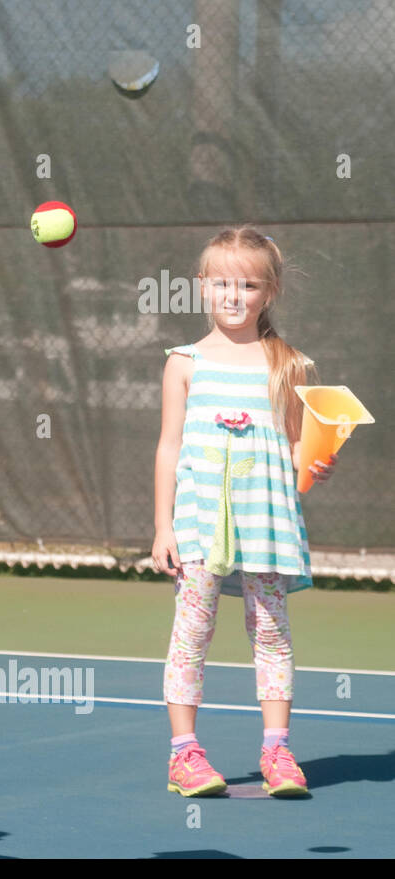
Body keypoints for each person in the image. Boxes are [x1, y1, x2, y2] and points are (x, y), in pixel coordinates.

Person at [151, 226, 335, 799]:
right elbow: (168, 447)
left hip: (268, 525)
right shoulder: (183, 363)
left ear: (270, 291)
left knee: (272, 635)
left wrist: (316, 464)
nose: (234, 295)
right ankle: (185, 756)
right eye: (222, 282)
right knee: (191, 634)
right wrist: (162, 525)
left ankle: (277, 751)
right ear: (202, 286)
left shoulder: (290, 365)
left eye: (248, 284)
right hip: (199, 525)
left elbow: (301, 451)